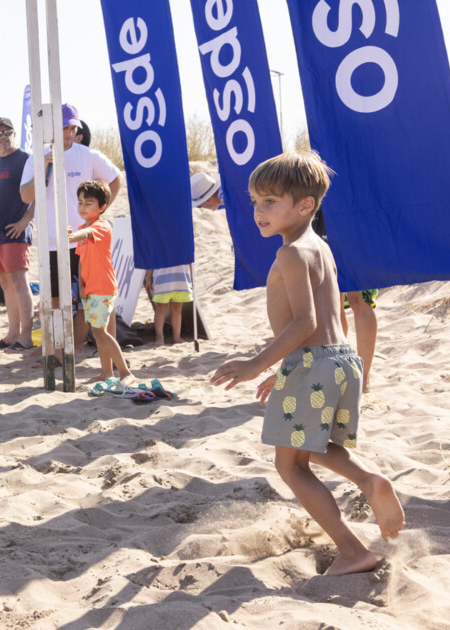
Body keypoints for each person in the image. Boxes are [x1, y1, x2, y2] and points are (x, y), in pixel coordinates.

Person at [211, 151, 404, 575]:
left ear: (305, 205)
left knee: (290, 465)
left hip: (314, 361)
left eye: (270, 201)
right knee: (312, 447)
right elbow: (329, 317)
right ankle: (369, 481)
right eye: (255, 201)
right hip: (338, 360)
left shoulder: (291, 254)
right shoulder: (322, 248)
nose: (258, 211)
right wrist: (289, 364)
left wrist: (256, 364)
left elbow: (305, 321)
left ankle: (354, 551)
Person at [19, 103, 123, 356]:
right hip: (51, 242)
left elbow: (116, 178)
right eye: (63, 127)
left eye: (72, 127)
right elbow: (25, 196)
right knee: (54, 300)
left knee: (90, 298)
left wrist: (99, 214)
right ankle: (56, 350)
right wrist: (44, 165)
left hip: (84, 241)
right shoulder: (37, 157)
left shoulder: (88, 155)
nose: (68, 132)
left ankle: (87, 350)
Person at [69, 180, 134, 383]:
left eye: (89, 203)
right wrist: (81, 284)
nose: (83, 207)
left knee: (100, 331)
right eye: (80, 202)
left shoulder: (102, 225)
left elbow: (87, 235)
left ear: (102, 207)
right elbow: (80, 258)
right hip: (90, 288)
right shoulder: (82, 225)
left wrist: (71, 236)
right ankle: (107, 372)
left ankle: (125, 372)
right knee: (97, 333)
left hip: (103, 286)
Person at [312, 209, 378, 393]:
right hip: (327, 208)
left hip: (352, 209)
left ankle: (363, 377)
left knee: (357, 299)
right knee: (334, 300)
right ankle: (343, 370)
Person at [0, 117, 34, 352]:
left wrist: (25, 221)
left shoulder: (25, 159)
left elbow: (40, 193)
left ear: (15, 134)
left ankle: (26, 335)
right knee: (5, 284)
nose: (3, 136)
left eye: (8, 132)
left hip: (16, 232)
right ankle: (12, 333)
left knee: (19, 282)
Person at [147, 265, 193, 345]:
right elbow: (152, 257)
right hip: (162, 278)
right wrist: (149, 276)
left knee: (177, 308)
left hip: (180, 277)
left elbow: (190, 256)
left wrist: (192, 274)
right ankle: (159, 337)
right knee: (161, 308)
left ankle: (176, 337)